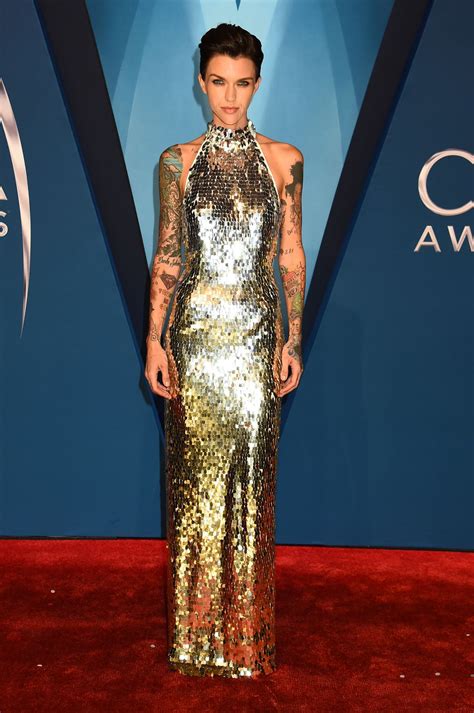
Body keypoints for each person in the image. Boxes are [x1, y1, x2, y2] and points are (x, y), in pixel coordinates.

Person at [145, 22, 305, 678]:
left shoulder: (285, 161)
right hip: (195, 342)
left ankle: (245, 639)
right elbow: (168, 256)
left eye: (241, 83)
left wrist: (293, 337)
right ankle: (195, 641)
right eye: (218, 82)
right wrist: (154, 341)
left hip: (257, 341)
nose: (230, 97)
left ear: (257, 84)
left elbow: (289, 253)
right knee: (193, 490)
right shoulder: (176, 163)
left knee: (251, 487)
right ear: (201, 83)